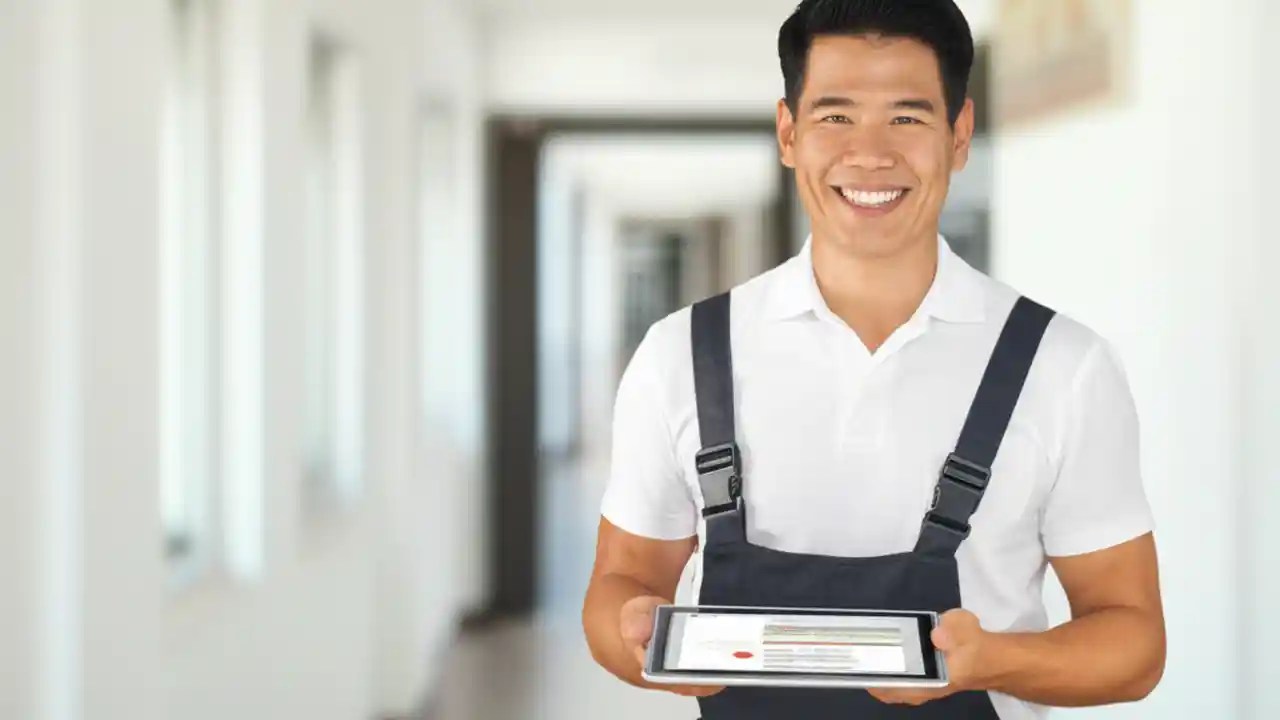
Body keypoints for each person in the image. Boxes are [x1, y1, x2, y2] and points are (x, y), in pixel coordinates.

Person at [580, 0, 1166, 718]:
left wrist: (995, 660)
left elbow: (1134, 643)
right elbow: (621, 583)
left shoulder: (1063, 366)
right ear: (788, 133)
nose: (871, 153)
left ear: (959, 135)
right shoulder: (682, 355)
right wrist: (633, 638)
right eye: (836, 116)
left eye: (908, 117)